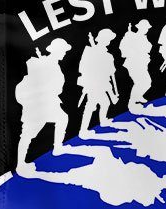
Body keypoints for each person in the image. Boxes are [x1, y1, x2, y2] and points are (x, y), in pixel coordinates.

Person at [15, 38, 72, 169]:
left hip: (49, 103)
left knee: (62, 118)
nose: (64, 53)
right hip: (38, 105)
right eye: (63, 51)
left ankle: (57, 148)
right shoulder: (43, 62)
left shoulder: (51, 63)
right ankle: (20, 165)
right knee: (28, 133)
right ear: (57, 51)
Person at [76, 29, 118, 133]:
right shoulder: (90, 51)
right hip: (93, 84)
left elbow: (111, 71)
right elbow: (82, 67)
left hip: (103, 83)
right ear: (101, 39)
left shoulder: (108, 55)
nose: (109, 41)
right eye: (107, 39)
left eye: (109, 39)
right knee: (91, 105)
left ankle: (103, 121)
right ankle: (83, 131)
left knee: (105, 103)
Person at [119, 20, 153, 108]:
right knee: (139, 82)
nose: (147, 30)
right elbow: (123, 47)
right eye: (145, 28)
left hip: (142, 63)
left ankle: (138, 97)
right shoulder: (131, 35)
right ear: (140, 27)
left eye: (147, 28)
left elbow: (148, 48)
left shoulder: (143, 38)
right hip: (133, 63)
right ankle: (132, 102)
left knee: (147, 83)